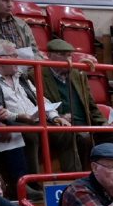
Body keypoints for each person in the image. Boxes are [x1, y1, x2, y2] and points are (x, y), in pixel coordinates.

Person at [0, 39, 56, 184]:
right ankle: (35, 184)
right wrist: (18, 117)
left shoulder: (21, 77)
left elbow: (40, 98)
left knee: (67, 133)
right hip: (13, 122)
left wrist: (55, 117)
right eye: (13, 55)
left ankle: (70, 179)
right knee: (30, 134)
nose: (18, 59)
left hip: (35, 120)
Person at [41, 38, 106, 173]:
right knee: (82, 138)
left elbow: (91, 105)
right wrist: (58, 117)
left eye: (69, 55)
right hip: (60, 125)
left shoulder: (77, 74)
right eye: (62, 55)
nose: (67, 59)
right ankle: (77, 179)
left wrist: (104, 124)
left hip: (85, 123)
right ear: (49, 55)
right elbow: (38, 104)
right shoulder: (38, 74)